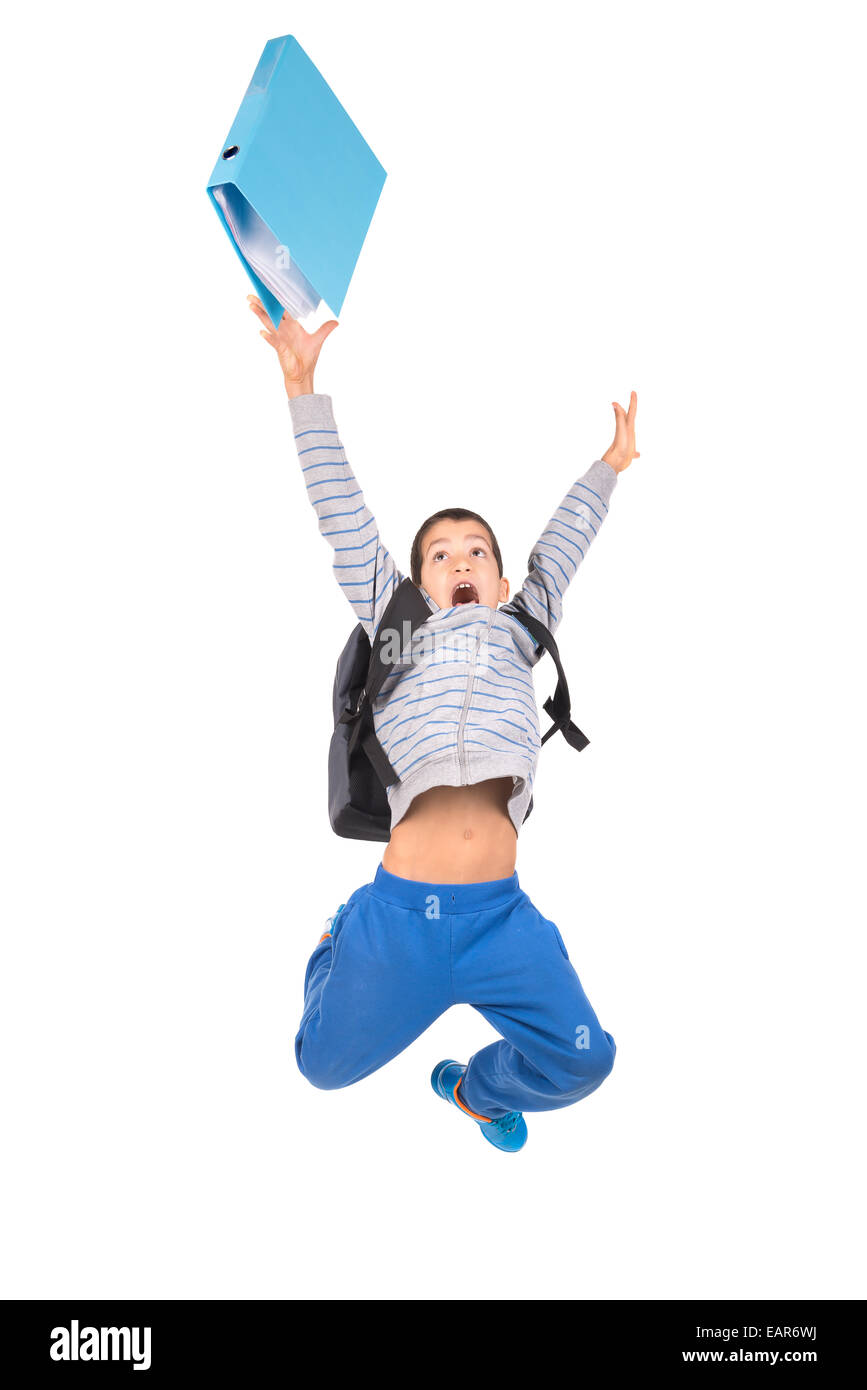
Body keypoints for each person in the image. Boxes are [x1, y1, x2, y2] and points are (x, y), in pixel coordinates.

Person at [247, 294, 640, 1152]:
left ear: (500, 584)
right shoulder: (398, 625)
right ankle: (337, 938)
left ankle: (475, 1090)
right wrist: (302, 387)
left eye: (477, 552)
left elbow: (562, 547)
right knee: (320, 1066)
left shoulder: (520, 629)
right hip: (397, 919)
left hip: (501, 922)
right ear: (418, 582)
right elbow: (342, 514)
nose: (460, 559)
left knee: (584, 1062)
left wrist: (607, 467)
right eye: (440, 553)